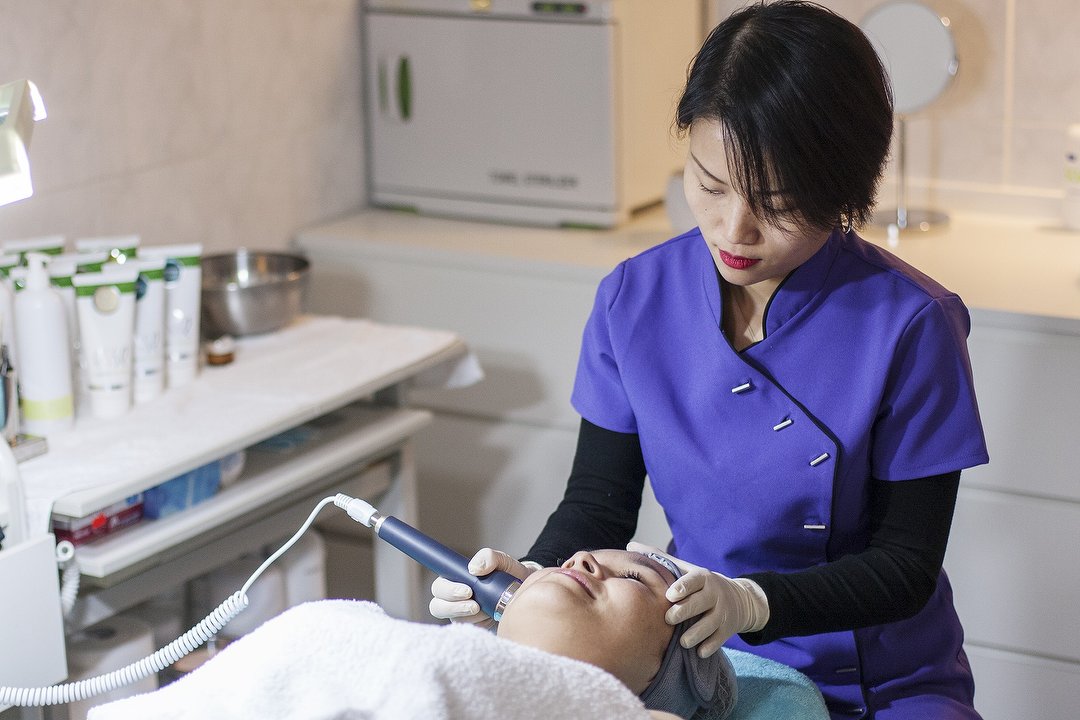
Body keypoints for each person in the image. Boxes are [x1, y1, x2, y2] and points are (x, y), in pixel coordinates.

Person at [430, 2, 990, 719]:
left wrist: (751, 601)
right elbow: (597, 503)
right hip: (693, 659)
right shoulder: (635, 298)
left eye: (778, 204)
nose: (733, 230)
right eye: (710, 184)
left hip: (881, 680)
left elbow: (906, 566)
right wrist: (525, 583)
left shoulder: (910, 324)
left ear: (846, 191)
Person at [88, 549, 737, 720]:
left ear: (655, 679)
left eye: (635, 578)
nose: (584, 562)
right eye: (574, 561)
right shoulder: (365, 629)